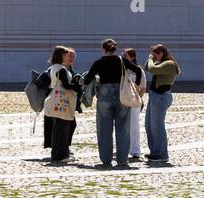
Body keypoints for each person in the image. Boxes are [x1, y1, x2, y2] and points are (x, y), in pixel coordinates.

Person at [85, 38, 131, 169]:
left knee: (104, 130)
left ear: (103, 49)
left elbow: (88, 78)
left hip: (104, 95)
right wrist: (138, 85)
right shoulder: (122, 60)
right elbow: (138, 70)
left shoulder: (98, 62)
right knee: (123, 128)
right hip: (121, 95)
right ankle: (122, 160)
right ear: (115, 49)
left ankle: (106, 160)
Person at [45, 46, 80, 164]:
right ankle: (60, 156)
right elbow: (66, 85)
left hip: (55, 101)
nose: (68, 57)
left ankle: (58, 154)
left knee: (58, 130)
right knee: (62, 129)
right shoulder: (62, 69)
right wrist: (78, 87)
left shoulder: (53, 68)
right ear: (61, 56)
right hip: (62, 102)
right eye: (66, 55)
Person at [144, 44, 179, 163]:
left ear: (162, 53)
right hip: (154, 95)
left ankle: (162, 154)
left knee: (157, 126)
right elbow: (146, 68)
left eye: (156, 54)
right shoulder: (160, 63)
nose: (154, 57)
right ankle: (154, 152)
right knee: (149, 125)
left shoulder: (169, 64)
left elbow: (152, 69)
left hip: (161, 96)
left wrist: (150, 59)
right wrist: (151, 59)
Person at [122, 48, 146, 162]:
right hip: (122, 101)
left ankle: (135, 151)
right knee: (121, 126)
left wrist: (138, 99)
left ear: (132, 57)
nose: (123, 57)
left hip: (134, 102)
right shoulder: (121, 69)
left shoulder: (138, 70)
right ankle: (122, 148)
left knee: (134, 127)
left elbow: (143, 88)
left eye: (126, 55)